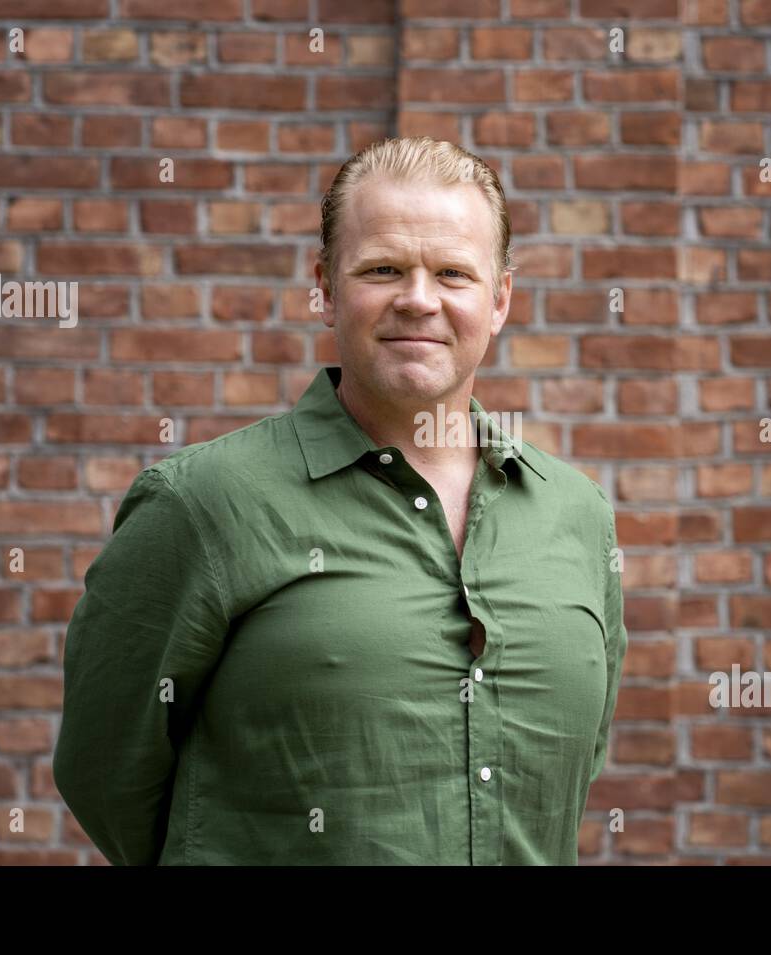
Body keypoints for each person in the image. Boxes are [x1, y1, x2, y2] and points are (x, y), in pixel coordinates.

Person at [53, 136, 628, 865]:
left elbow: (573, 771)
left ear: (501, 298)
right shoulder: (203, 504)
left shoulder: (577, 516)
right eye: (383, 268)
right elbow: (105, 768)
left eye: (453, 273)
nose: (419, 299)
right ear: (324, 286)